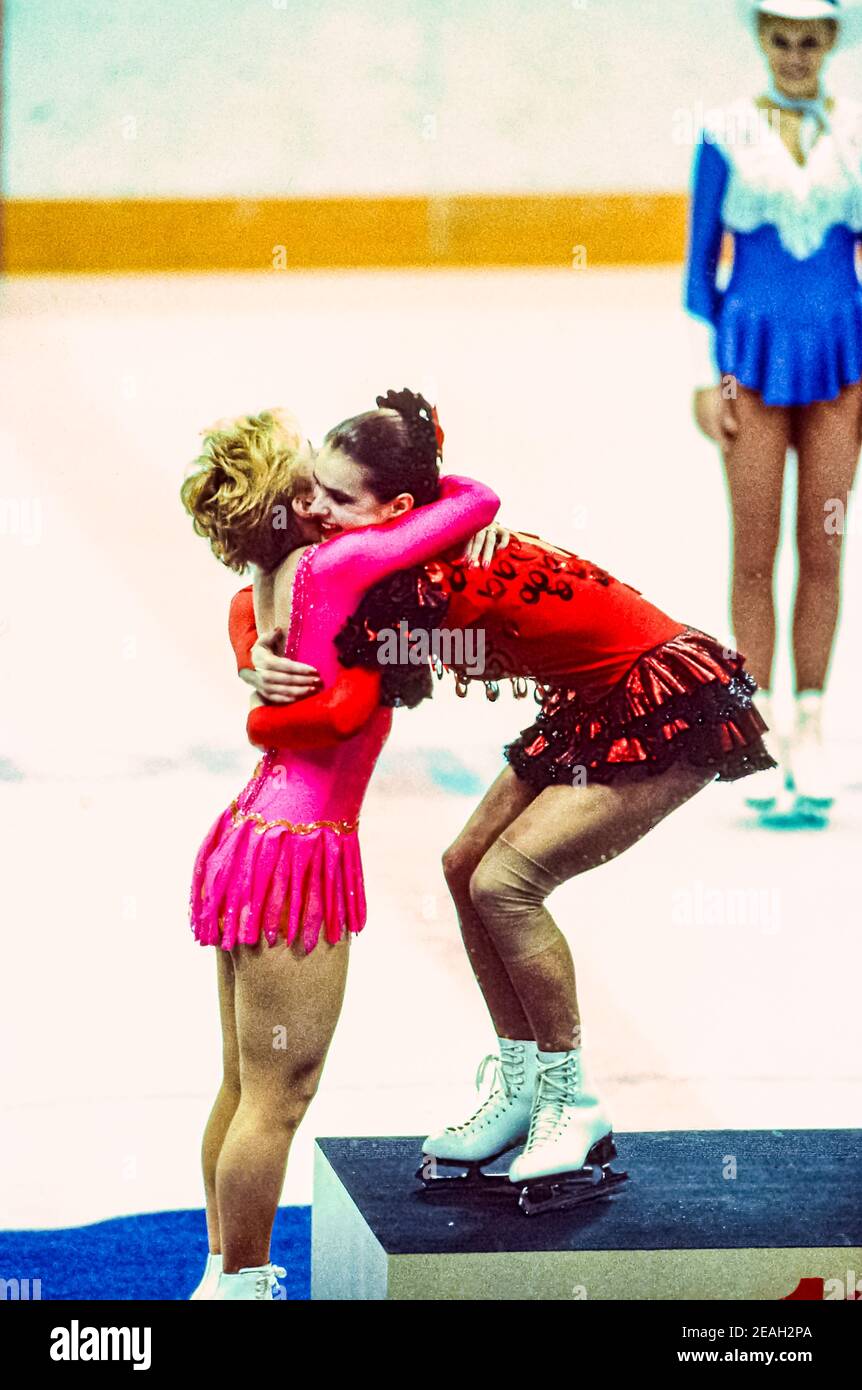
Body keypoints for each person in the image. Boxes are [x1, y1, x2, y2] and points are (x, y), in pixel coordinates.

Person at [231, 401, 777, 1211]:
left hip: (665, 700)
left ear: (398, 515)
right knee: (460, 868)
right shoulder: (394, 556)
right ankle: (522, 1085)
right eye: (314, 492)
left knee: (505, 885)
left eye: (339, 502)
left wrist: (258, 685)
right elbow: (284, 608)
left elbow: (334, 687)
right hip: (591, 701)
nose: (315, 512)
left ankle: (573, 1101)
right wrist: (254, 656)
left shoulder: (406, 580)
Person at [180, 395, 499, 1296]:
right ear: (288, 502)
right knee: (281, 1094)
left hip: (251, 830)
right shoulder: (344, 560)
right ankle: (240, 1285)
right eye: (308, 484)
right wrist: (439, 504)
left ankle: (221, 1274)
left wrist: (248, 658)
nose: (322, 500)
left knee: (244, 1084)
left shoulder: (272, 576)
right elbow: (470, 499)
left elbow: (248, 607)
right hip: (298, 846)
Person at [687, 0, 862, 823]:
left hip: (842, 363)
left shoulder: (858, 132)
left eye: (809, 41)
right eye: (781, 39)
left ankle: (814, 719)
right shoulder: (724, 133)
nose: (795, 55)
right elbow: (700, 274)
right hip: (749, 363)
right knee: (752, 550)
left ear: (830, 43)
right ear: (762, 38)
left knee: (822, 546)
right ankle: (750, 722)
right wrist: (705, 377)